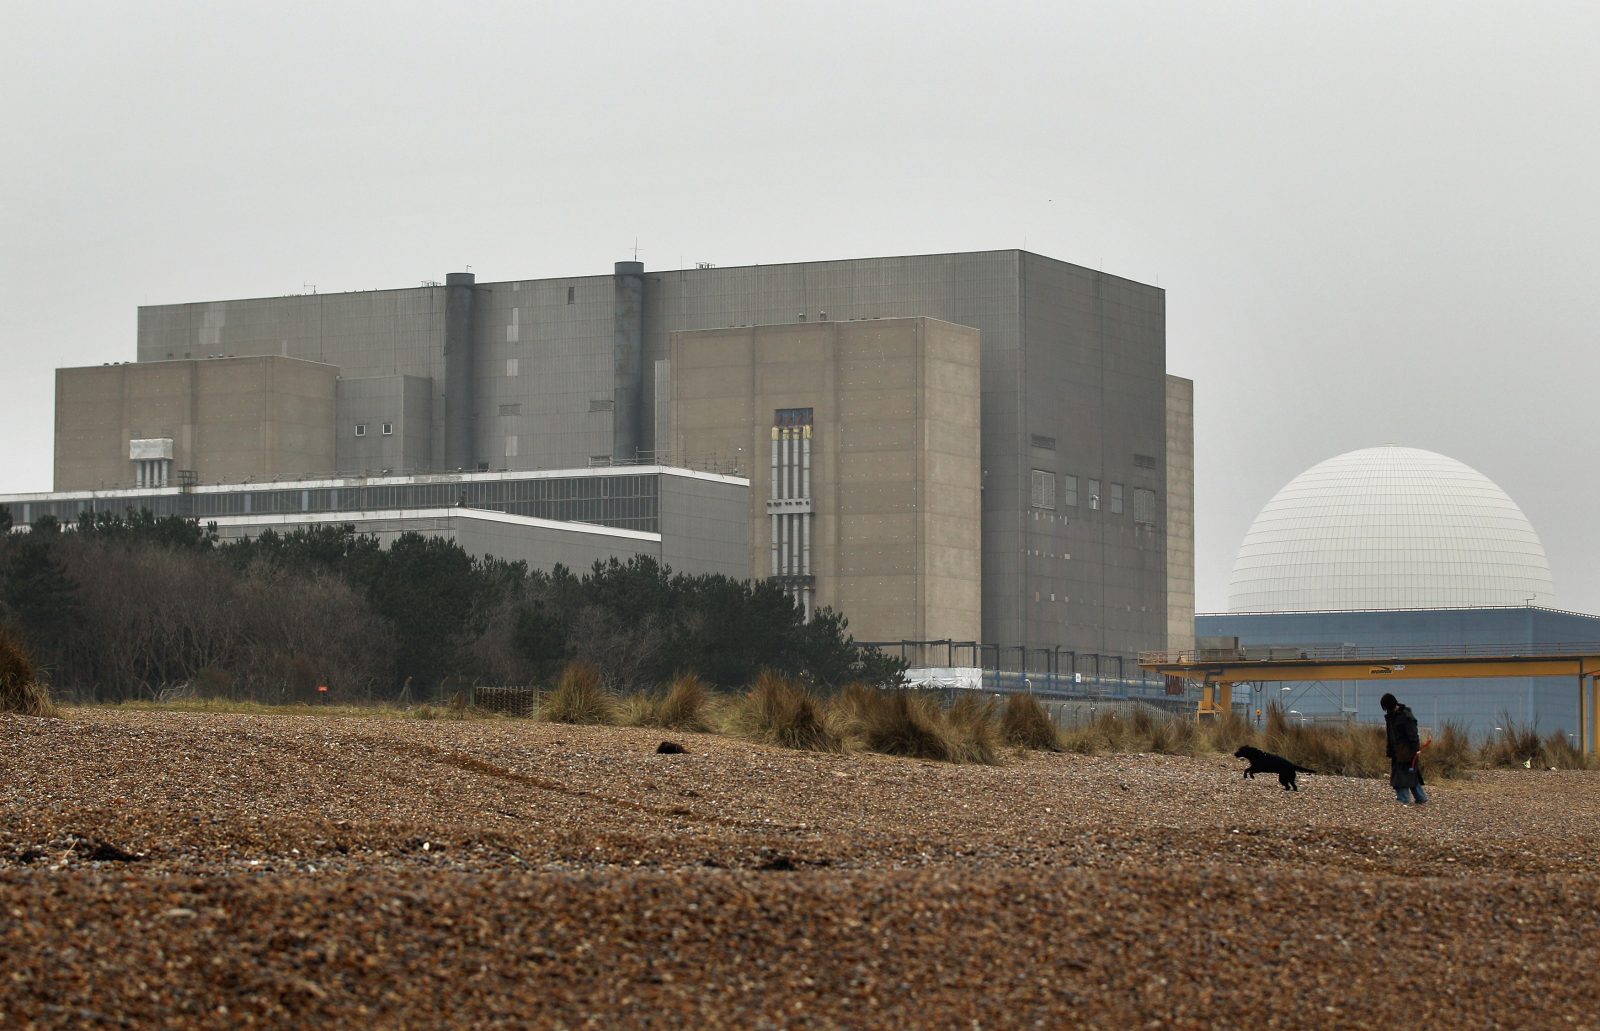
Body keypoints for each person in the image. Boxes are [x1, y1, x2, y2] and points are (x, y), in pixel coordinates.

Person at [1381, 692, 1429, 805]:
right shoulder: (1391, 716)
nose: (1386, 710)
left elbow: (1413, 735)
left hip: (1406, 752)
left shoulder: (1406, 716)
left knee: (1400, 776)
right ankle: (1421, 798)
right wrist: (1389, 750)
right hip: (1397, 751)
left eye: (1386, 707)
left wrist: (1416, 750)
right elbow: (1390, 735)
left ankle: (1403, 799)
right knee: (1410, 775)